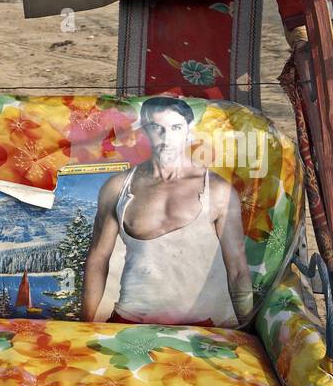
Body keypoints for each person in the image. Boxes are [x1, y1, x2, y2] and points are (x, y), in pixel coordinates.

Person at [82, 96, 253, 327]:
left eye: (175, 127)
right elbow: (98, 259)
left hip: (198, 327)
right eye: (156, 127)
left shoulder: (218, 190)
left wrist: (248, 330)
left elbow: (238, 269)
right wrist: (86, 326)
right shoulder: (117, 187)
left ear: (189, 130)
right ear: (144, 131)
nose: (166, 137)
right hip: (128, 322)